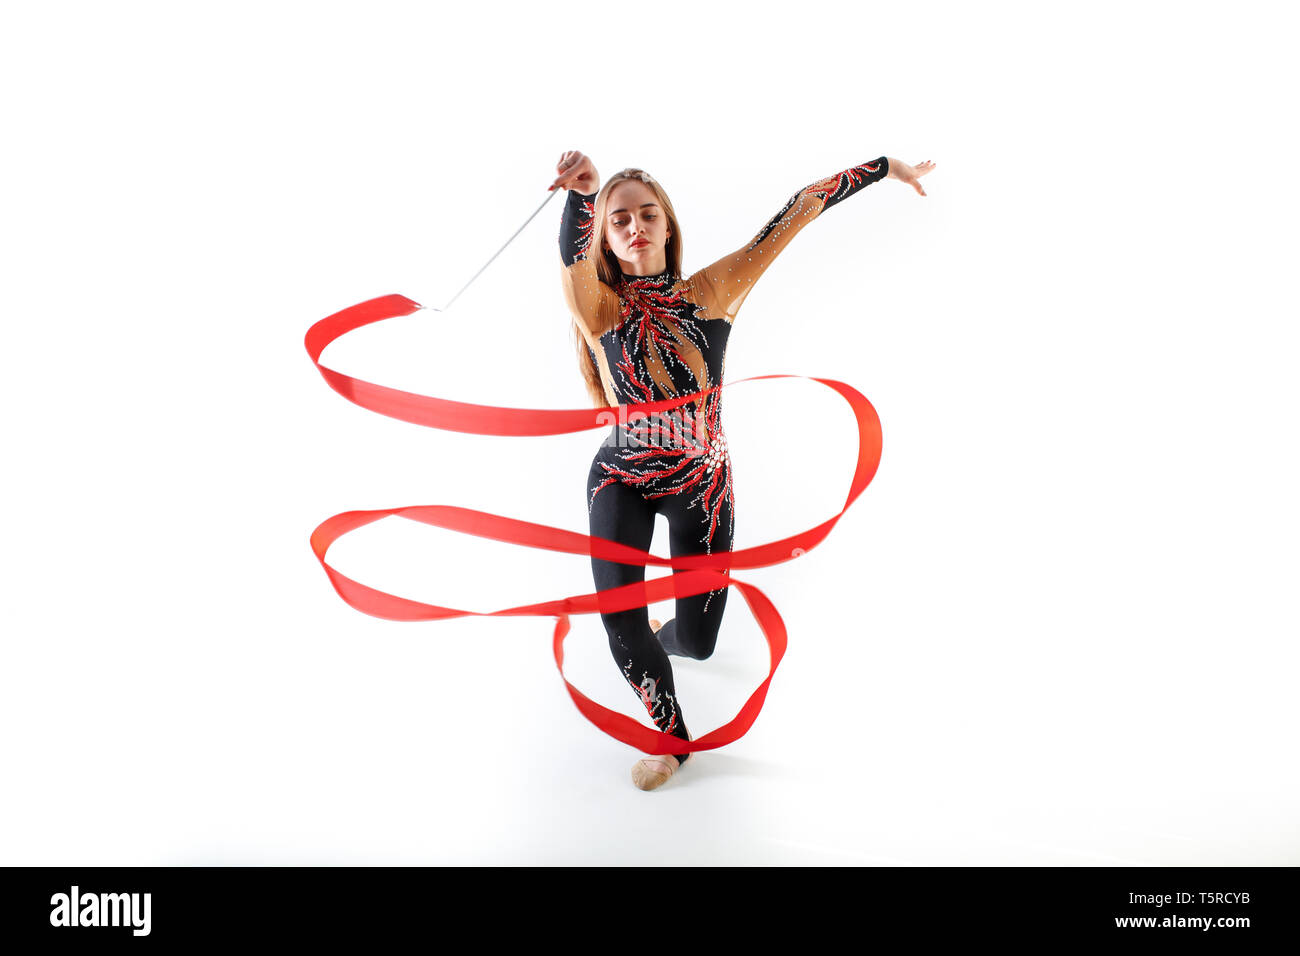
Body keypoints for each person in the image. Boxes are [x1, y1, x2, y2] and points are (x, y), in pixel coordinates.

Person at [550, 149, 934, 790]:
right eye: (619, 220)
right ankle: (671, 735)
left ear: (668, 227)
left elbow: (793, 217)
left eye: (648, 215)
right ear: (605, 238)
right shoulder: (598, 308)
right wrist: (582, 197)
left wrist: (885, 166)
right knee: (616, 618)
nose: (634, 227)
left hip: (700, 483)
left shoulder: (712, 290)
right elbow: (570, 256)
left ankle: (667, 635)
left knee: (697, 641)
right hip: (621, 476)